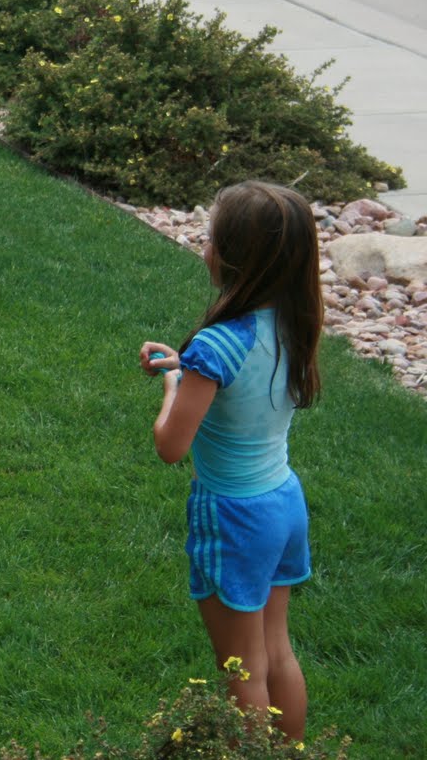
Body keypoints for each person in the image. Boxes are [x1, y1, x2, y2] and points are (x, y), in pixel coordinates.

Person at [139, 180, 323, 743]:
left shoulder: (217, 346)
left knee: (241, 667)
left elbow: (171, 445)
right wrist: (189, 368)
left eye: (210, 236)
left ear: (229, 256)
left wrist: (174, 380)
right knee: (276, 652)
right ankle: (289, 755)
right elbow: (236, 389)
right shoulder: (295, 323)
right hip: (283, 502)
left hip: (235, 517)